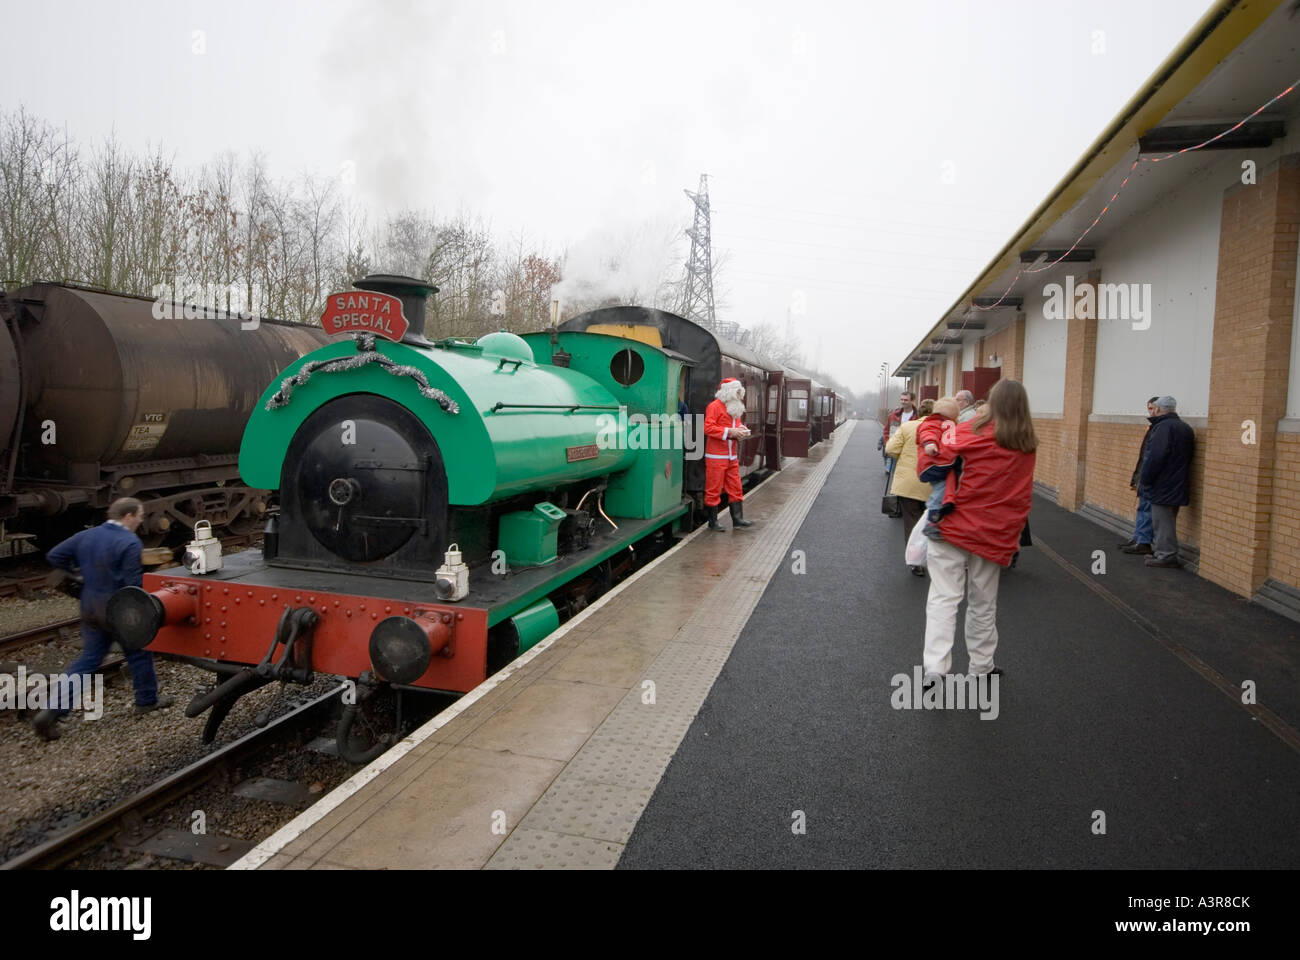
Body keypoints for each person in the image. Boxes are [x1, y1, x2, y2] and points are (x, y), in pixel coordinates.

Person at [922, 380, 1037, 681]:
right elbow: (1021, 497)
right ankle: (982, 667)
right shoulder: (1027, 446)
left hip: (952, 527)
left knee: (944, 598)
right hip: (992, 534)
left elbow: (935, 452)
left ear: (992, 403)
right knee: (984, 602)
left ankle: (936, 670)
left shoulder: (970, 432)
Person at [31, 498, 174, 741]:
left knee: (87, 660)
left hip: (90, 606)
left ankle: (53, 708)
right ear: (128, 516)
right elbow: (133, 585)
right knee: (139, 652)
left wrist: (77, 575)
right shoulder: (129, 542)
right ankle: (147, 700)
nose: (141, 520)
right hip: (120, 609)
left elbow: (55, 556)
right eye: (139, 515)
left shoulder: (87, 536)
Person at [1138, 395, 1194, 568]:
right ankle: (1164, 553)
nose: (1152, 411)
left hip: (1162, 484)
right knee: (1168, 519)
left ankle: (1165, 555)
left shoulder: (1162, 428)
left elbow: (1155, 457)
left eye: (1154, 408)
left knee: (1162, 521)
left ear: (1159, 409)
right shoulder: (1184, 428)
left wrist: (1145, 479)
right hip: (1177, 482)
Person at [886, 397, 935, 576]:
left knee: (911, 521)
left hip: (909, 483)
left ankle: (916, 563)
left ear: (919, 412)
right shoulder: (945, 429)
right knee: (930, 519)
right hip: (934, 484)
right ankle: (932, 556)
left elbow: (890, 449)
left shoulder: (907, 427)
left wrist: (904, 457)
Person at [703, 377, 753, 532]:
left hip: (731, 456)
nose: (739, 394)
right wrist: (729, 432)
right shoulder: (714, 406)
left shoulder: (735, 407)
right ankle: (712, 522)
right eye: (736, 390)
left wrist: (742, 430)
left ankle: (738, 520)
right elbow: (708, 428)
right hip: (716, 456)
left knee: (736, 487)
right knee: (714, 489)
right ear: (728, 391)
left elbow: (736, 426)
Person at [1119, 397, 1160, 555]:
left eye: (1153, 408)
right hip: (1144, 477)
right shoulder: (1152, 428)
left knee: (1146, 509)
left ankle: (1143, 541)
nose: (1151, 411)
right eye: (1149, 408)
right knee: (1142, 508)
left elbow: (1150, 458)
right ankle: (1138, 538)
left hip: (1149, 479)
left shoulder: (1157, 430)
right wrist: (1136, 478)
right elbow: (1143, 457)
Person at [917, 395, 960, 539]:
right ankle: (933, 518)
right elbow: (928, 433)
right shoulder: (934, 422)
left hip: (943, 463)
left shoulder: (949, 424)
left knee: (946, 484)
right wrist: (930, 443)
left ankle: (944, 505)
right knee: (940, 488)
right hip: (933, 464)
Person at [882, 391, 917, 480]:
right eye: (901, 399)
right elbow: (886, 431)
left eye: (906, 400)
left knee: (908, 477)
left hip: (910, 452)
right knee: (894, 475)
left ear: (912, 401)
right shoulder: (893, 416)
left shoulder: (918, 416)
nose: (903, 402)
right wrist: (888, 444)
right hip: (896, 451)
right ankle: (894, 492)